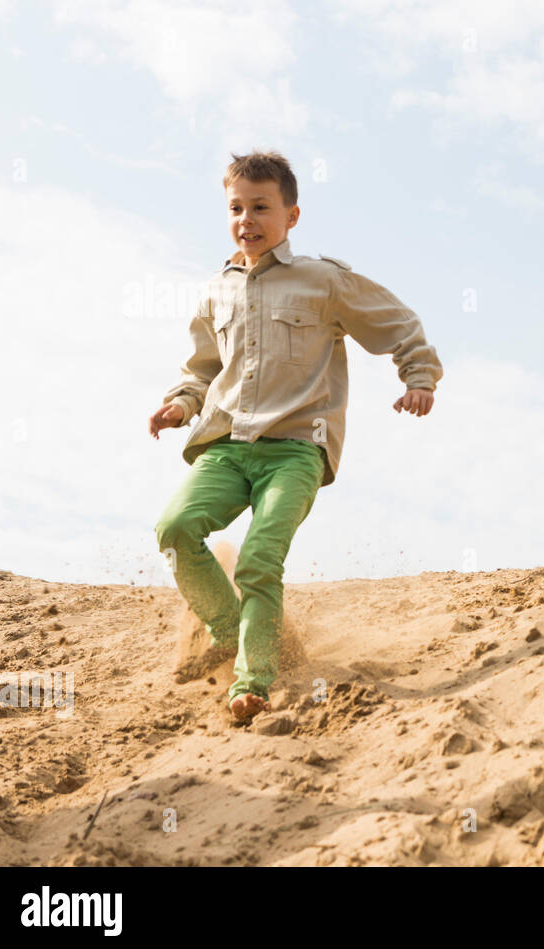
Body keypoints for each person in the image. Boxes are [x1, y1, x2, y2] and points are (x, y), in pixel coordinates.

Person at [149, 151, 442, 722]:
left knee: (260, 559)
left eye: (261, 207)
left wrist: (419, 377)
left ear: (292, 215)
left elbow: (398, 323)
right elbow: (203, 370)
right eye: (236, 207)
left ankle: (251, 681)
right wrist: (180, 405)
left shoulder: (323, 280)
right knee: (174, 528)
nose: (247, 219)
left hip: (296, 451)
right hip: (227, 445)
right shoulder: (216, 291)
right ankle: (232, 632)